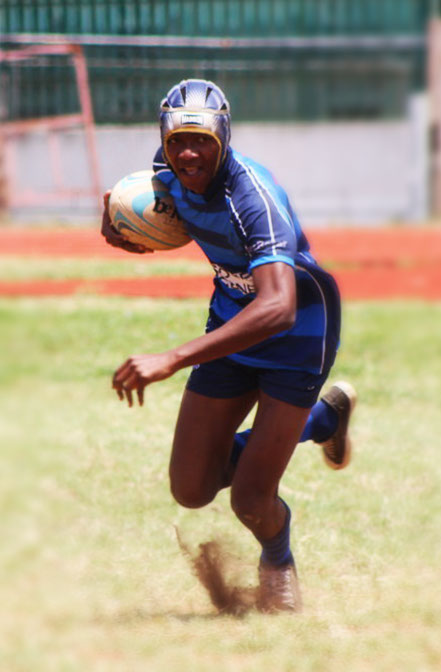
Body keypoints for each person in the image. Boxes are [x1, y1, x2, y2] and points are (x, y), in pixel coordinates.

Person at [100, 79, 356, 614]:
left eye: (202, 140)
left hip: (297, 332)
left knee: (250, 500)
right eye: (177, 140)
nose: (188, 152)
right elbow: (160, 209)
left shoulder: (253, 200)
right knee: (191, 488)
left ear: (225, 138)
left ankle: (279, 562)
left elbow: (279, 306)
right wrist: (124, 226)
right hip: (232, 321)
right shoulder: (167, 172)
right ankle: (324, 421)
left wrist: (172, 357)